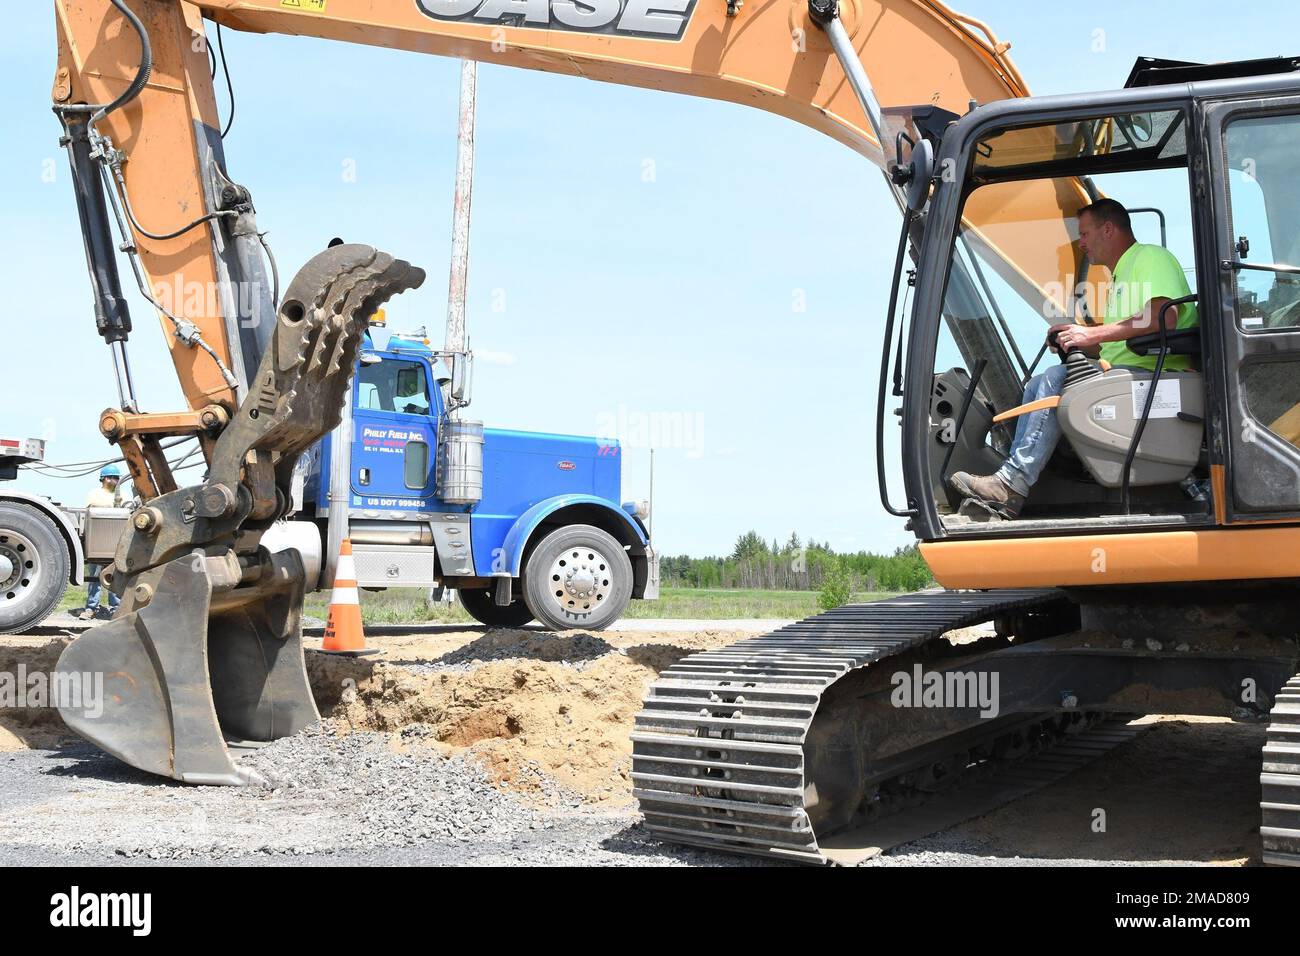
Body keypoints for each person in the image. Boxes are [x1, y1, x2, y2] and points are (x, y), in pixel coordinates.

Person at [950, 198, 1199, 518]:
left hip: (1158, 381)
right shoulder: (1120, 278)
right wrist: (1076, 339)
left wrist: (1092, 334)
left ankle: (1014, 482)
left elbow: (1163, 319)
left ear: (1108, 230)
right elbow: (1121, 341)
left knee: (1057, 379)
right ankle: (1017, 477)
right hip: (1131, 375)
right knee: (1039, 382)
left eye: (1084, 233)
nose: (1080, 243)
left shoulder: (1149, 257)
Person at [80, 463, 125, 621]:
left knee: (114, 578)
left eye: (117, 477)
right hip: (97, 543)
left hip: (116, 544)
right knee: (95, 577)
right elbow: (92, 510)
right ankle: (91, 608)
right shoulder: (95, 494)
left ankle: (116, 608)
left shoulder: (122, 495)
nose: (115, 480)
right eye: (112, 477)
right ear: (104, 478)